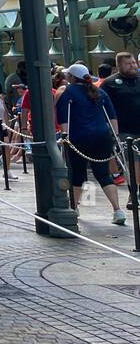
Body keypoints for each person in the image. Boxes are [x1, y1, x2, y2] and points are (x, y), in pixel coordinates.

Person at [56, 63, 126, 224]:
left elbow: (62, 116)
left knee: (78, 174)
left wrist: (65, 135)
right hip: (102, 137)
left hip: (79, 138)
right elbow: (112, 116)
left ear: (72, 77)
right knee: (103, 174)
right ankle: (117, 210)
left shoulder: (68, 92)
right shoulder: (99, 92)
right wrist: (115, 136)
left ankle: (74, 208)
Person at [102, 51, 140, 208]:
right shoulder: (110, 83)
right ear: (119, 66)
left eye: (133, 63)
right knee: (133, 163)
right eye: (128, 63)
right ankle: (134, 193)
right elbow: (102, 104)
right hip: (125, 130)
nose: (132, 66)